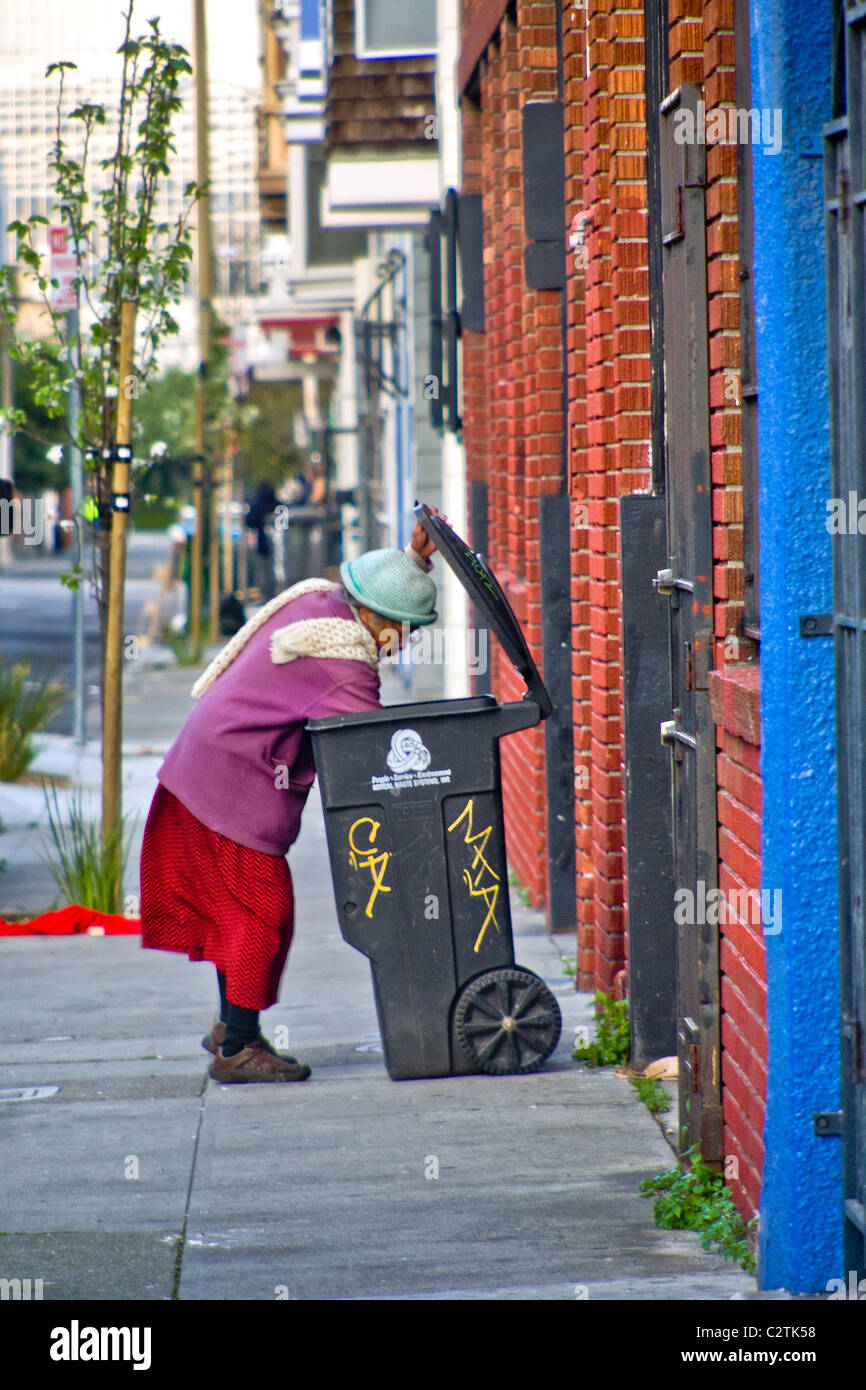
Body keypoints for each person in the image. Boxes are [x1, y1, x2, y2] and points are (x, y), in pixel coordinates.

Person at [139, 512, 443, 1084]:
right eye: (407, 629)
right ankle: (240, 1047)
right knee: (262, 915)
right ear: (381, 619)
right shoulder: (345, 663)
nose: (407, 642)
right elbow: (371, 755)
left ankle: (233, 1029)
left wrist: (412, 562)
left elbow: (378, 591)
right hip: (230, 786)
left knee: (241, 913)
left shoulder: (320, 603)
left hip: (199, 769)